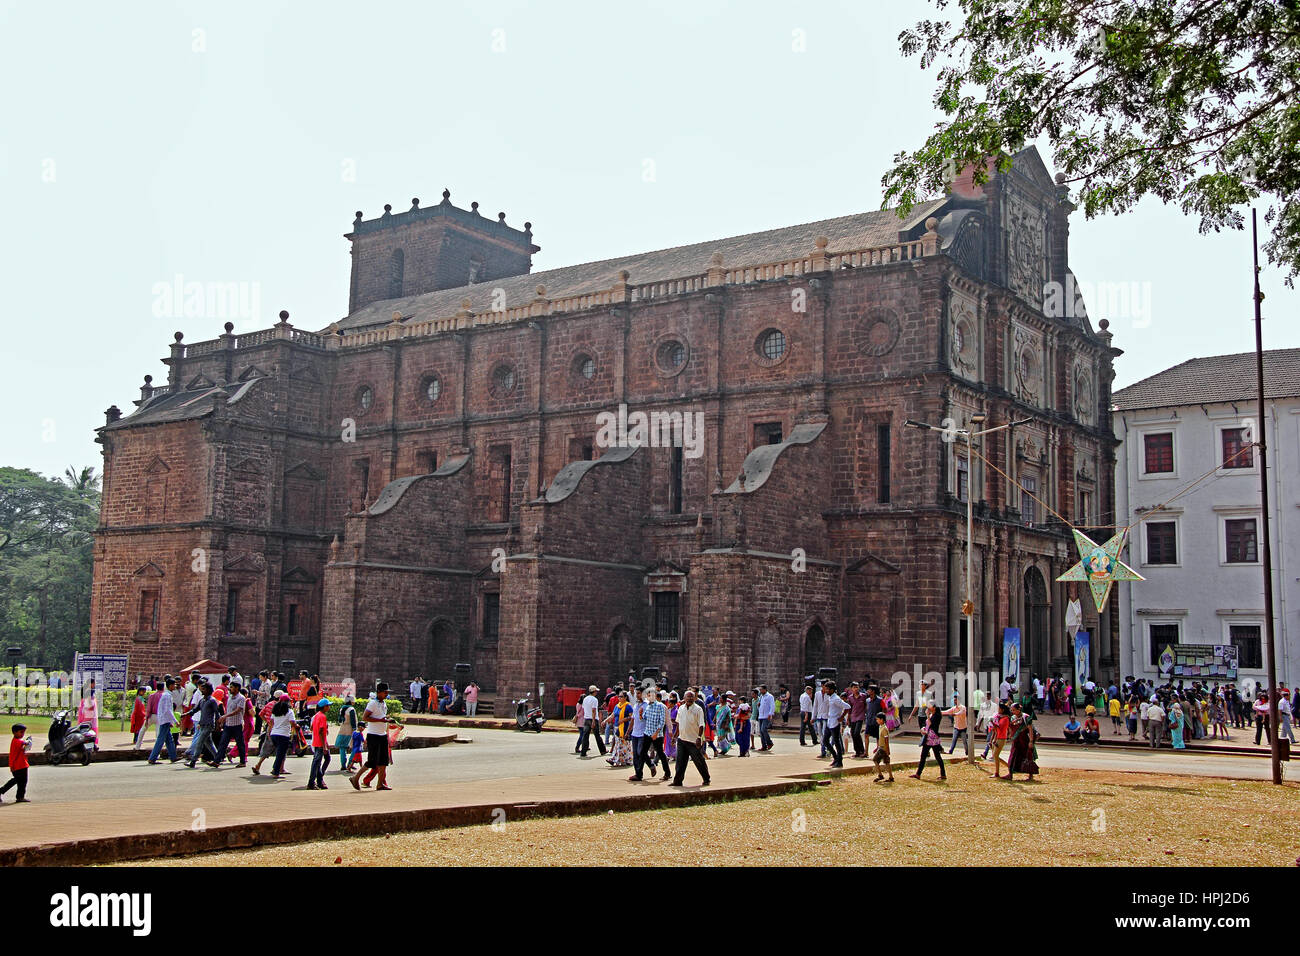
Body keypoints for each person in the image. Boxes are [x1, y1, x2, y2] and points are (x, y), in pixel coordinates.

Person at [351, 683, 396, 791]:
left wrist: (387, 720)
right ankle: (355, 777)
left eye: (387, 693)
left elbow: (381, 717)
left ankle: (380, 784)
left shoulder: (383, 703)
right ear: (379, 692)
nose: (386, 694)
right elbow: (365, 717)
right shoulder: (373, 703)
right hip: (373, 735)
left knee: (383, 761)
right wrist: (380, 720)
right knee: (372, 761)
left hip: (382, 734)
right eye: (385, 692)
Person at [669, 690, 710, 787]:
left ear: (694, 698)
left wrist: (699, 737)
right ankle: (677, 781)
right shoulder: (681, 708)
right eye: (688, 697)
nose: (690, 699)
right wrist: (675, 737)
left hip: (693, 740)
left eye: (691, 697)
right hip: (682, 739)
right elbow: (679, 724)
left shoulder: (698, 709)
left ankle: (706, 778)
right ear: (684, 698)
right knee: (680, 762)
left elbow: (701, 725)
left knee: (699, 761)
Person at [183, 682, 222, 768]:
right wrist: (186, 714)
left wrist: (218, 725)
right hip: (203, 725)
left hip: (209, 725)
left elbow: (217, 713)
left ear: (208, 690)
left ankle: (193, 761)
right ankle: (218, 759)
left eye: (204, 689)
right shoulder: (202, 700)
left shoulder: (212, 701)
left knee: (199, 742)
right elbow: (195, 710)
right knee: (209, 743)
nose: (202, 691)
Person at [147, 678, 180, 764]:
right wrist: (175, 721)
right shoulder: (167, 696)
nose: (175, 686)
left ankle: (173, 756)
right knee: (161, 739)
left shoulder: (166, 695)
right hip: (164, 720)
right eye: (174, 685)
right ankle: (152, 758)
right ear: (170, 685)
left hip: (164, 719)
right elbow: (168, 710)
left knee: (169, 739)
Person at [910, 702, 946, 780]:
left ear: (934, 707)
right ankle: (918, 774)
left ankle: (943, 774)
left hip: (933, 738)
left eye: (930, 706)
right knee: (923, 756)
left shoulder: (937, 716)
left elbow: (931, 724)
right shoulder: (932, 714)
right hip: (928, 737)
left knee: (937, 756)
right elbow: (927, 725)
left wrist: (927, 715)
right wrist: (923, 729)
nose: (928, 707)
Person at [216, 681, 248, 767]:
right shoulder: (230, 698)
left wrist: (225, 716)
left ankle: (242, 761)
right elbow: (228, 710)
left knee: (240, 743)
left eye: (232, 687)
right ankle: (217, 761)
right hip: (228, 724)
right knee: (223, 742)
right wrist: (224, 720)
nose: (230, 689)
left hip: (237, 724)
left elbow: (238, 710)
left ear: (237, 688)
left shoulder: (241, 698)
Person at [1005, 703, 1038, 781]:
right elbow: (1011, 729)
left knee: (1028, 756)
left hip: (1024, 740)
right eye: (1011, 710)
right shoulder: (1013, 718)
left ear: (1018, 709)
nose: (1012, 712)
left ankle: (1030, 775)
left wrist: (1030, 741)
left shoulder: (1026, 717)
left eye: (1014, 710)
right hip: (1016, 740)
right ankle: (1010, 774)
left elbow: (1030, 729)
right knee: (1013, 756)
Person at [0, 724, 31, 803]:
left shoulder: (16, 741)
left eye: (23, 732)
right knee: (22, 782)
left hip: (20, 765)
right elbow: (24, 743)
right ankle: (20, 797)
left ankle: (18, 796)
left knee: (17, 781)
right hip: (19, 766)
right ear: (14, 732)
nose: (22, 734)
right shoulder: (17, 741)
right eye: (21, 732)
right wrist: (28, 741)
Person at [823, 681, 849, 769]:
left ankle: (839, 761)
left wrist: (842, 717)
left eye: (827, 689)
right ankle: (835, 757)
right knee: (825, 740)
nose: (826, 691)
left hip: (835, 722)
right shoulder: (830, 698)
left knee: (836, 742)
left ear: (832, 690)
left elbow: (848, 707)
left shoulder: (836, 699)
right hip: (830, 721)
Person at [307, 698, 331, 789]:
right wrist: (324, 745)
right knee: (317, 763)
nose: (329, 707)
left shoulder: (317, 715)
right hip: (320, 743)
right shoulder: (322, 717)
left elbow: (312, 728)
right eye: (327, 706)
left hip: (317, 742)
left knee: (318, 762)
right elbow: (321, 731)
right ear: (324, 707)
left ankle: (319, 780)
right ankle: (312, 782)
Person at [575, 685, 605, 757]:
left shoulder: (585, 699)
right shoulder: (594, 699)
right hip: (593, 718)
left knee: (585, 736)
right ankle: (602, 750)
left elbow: (584, 708)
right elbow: (594, 710)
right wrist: (594, 721)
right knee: (597, 736)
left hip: (586, 718)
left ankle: (583, 752)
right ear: (594, 692)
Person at [335, 695, 359, 772]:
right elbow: (353, 721)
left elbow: (339, 720)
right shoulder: (351, 709)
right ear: (351, 701)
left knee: (342, 748)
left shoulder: (342, 708)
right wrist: (355, 730)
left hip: (342, 729)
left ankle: (343, 765)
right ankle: (350, 764)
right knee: (354, 747)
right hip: (350, 729)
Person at [846, 682, 867, 758]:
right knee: (853, 734)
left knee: (857, 733)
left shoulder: (863, 696)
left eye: (857, 687)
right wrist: (848, 719)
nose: (856, 689)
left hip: (860, 717)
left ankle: (862, 750)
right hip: (853, 717)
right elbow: (849, 709)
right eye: (854, 687)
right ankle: (857, 751)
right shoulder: (850, 698)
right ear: (851, 689)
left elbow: (866, 706)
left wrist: (865, 714)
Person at [990, 703, 1011, 777]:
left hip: (1002, 738)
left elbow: (1000, 728)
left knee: (995, 755)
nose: (998, 710)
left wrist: (992, 722)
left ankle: (997, 772)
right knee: (995, 756)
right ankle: (1008, 767)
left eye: (999, 709)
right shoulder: (999, 717)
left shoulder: (1006, 718)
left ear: (1002, 710)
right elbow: (995, 730)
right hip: (997, 737)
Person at [871, 713, 893, 782]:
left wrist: (887, 749)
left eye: (877, 719)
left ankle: (881, 775)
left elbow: (886, 740)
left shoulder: (884, 729)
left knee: (875, 760)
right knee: (886, 762)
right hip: (881, 747)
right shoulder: (881, 727)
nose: (877, 720)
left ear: (881, 720)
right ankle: (890, 777)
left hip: (883, 748)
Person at [756, 684, 775, 751]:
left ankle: (769, 743)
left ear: (765, 689)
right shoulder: (761, 697)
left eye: (761, 689)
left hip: (766, 715)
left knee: (763, 729)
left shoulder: (770, 696)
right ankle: (764, 746)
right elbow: (760, 706)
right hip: (761, 715)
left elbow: (772, 705)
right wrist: (758, 705)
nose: (760, 691)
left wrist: (770, 714)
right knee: (761, 731)